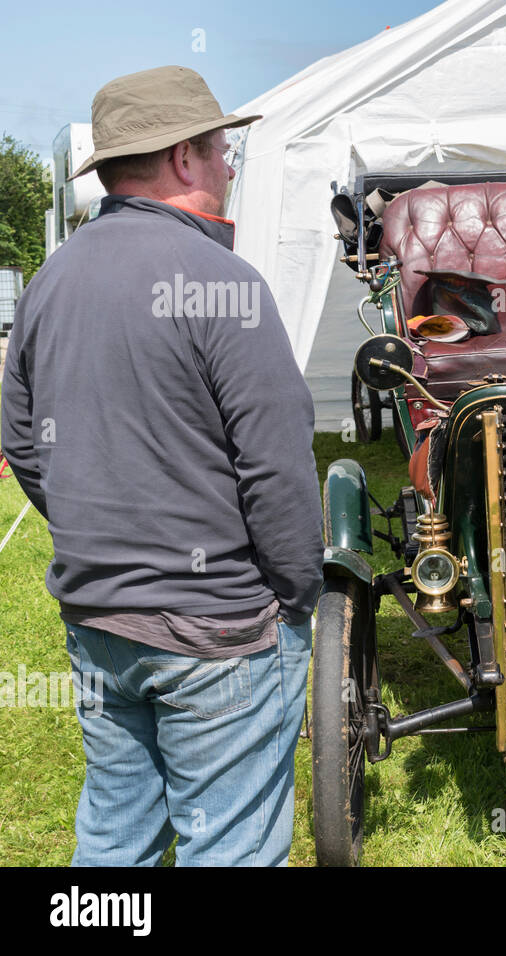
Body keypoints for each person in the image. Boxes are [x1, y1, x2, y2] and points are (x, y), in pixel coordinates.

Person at [0, 66, 323, 865]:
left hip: (99, 617)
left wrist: (100, 534)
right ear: (186, 157)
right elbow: (278, 468)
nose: (230, 167)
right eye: (224, 151)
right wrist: (295, 595)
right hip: (219, 627)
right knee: (232, 849)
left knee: (114, 838)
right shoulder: (223, 281)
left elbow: (23, 441)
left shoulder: (49, 281)